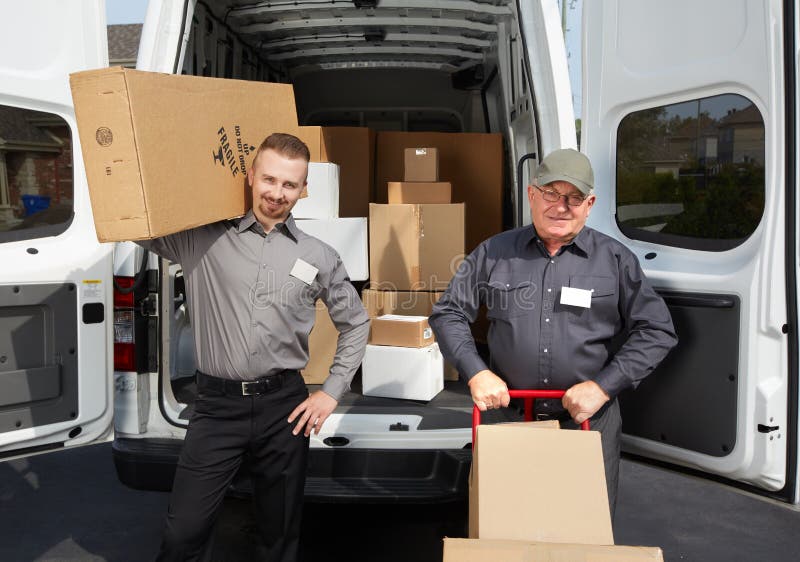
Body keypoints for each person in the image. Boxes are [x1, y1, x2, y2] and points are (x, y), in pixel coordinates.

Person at [138, 133, 370, 561]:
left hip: (284, 409)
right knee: (183, 534)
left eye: (289, 184)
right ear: (250, 176)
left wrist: (331, 391)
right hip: (216, 408)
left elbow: (356, 323)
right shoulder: (200, 239)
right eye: (269, 179)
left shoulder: (319, 255)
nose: (277, 194)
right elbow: (132, 222)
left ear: (303, 189)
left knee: (278, 536)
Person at [429, 148, 677, 515]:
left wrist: (602, 387)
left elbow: (657, 329)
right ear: (532, 195)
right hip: (508, 419)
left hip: (586, 423)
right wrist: (476, 372)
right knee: (505, 523)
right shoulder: (493, 252)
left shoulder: (615, 259)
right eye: (551, 193)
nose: (561, 206)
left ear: (589, 204)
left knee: (583, 525)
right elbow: (448, 312)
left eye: (574, 197)